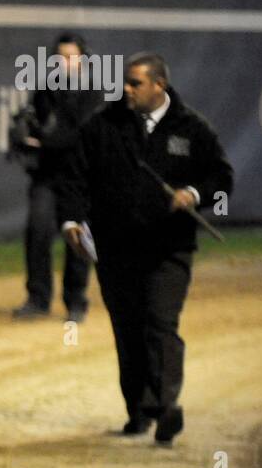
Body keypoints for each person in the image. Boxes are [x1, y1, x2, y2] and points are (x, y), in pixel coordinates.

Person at [57, 52, 232, 445]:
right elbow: (74, 178)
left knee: (159, 322)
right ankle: (137, 410)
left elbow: (222, 179)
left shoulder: (192, 129)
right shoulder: (102, 125)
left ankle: (165, 405)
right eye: (125, 82)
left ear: (159, 86)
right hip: (115, 248)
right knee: (129, 329)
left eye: (135, 83)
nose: (126, 89)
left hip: (169, 247)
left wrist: (195, 192)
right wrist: (71, 221)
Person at [13, 32, 100, 322]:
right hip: (47, 174)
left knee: (76, 235)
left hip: (80, 177)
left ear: (83, 59)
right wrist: (23, 136)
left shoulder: (93, 91)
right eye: (60, 57)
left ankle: (76, 301)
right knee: (37, 230)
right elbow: (35, 125)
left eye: (70, 56)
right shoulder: (46, 90)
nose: (64, 62)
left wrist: (45, 141)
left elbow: (78, 135)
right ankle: (38, 298)